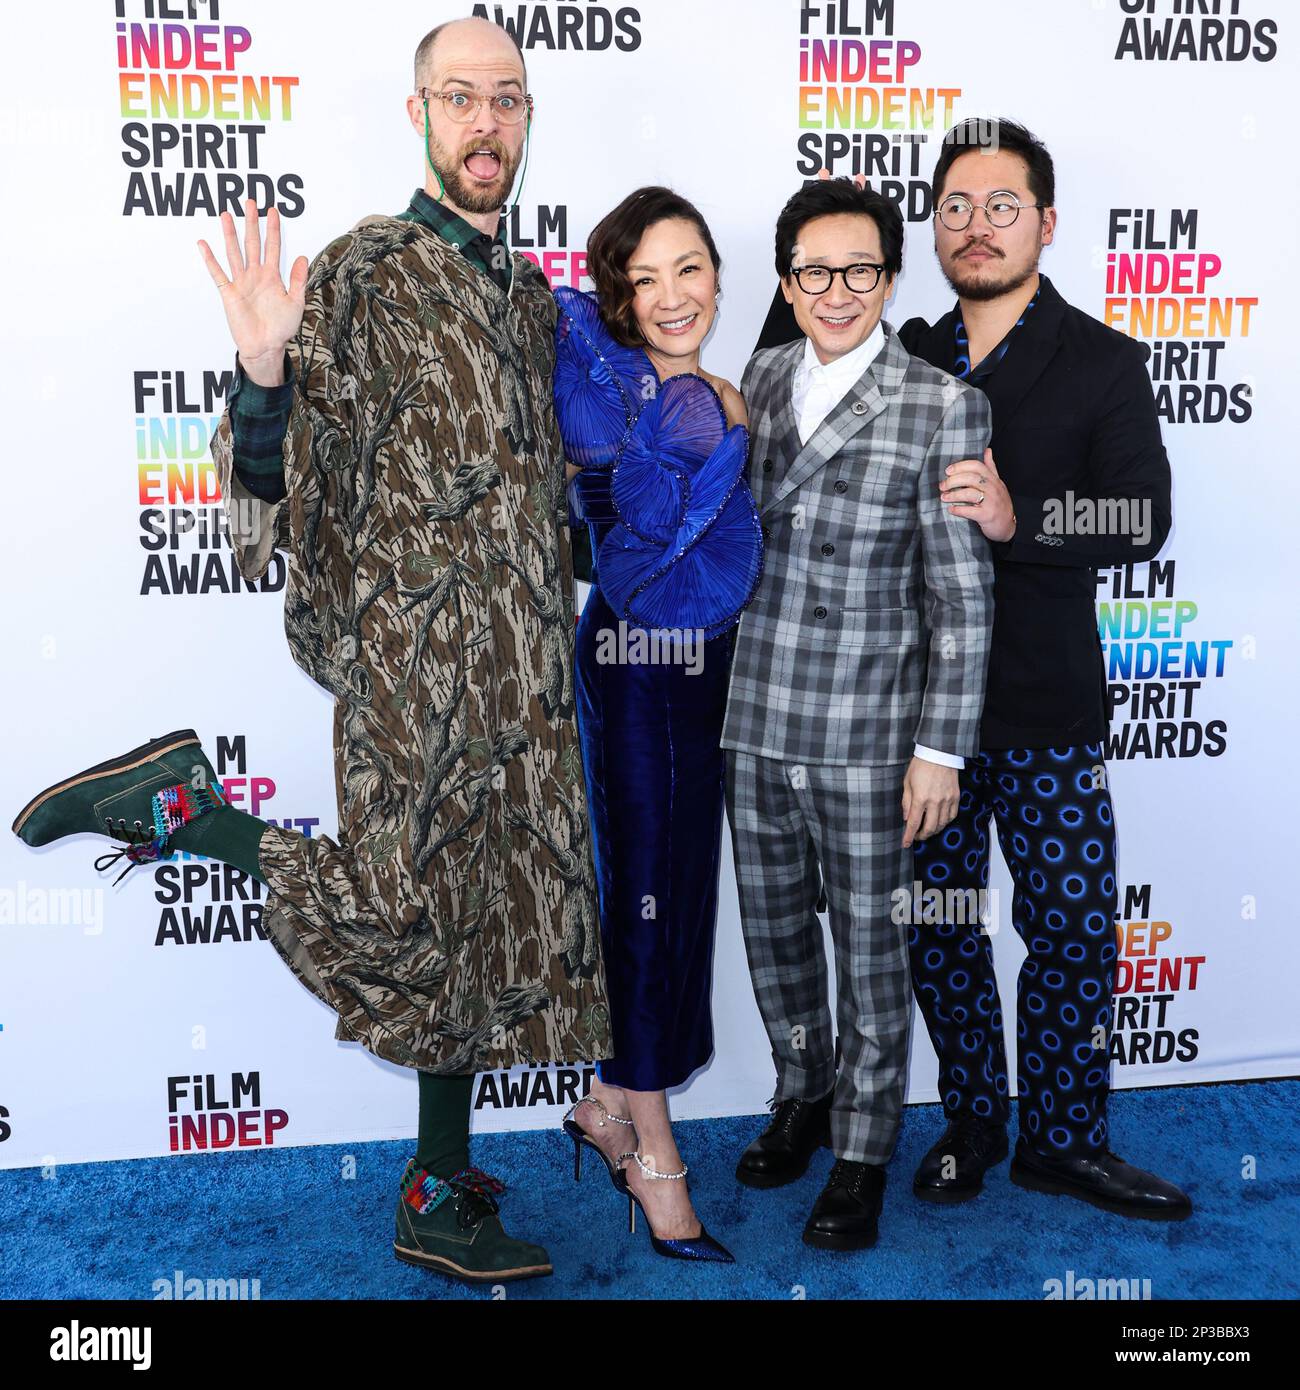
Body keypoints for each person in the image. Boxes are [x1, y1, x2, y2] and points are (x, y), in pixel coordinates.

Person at [11, 15, 612, 1283]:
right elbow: (274, 483)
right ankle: (179, 810)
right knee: (404, 918)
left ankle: (437, 1188)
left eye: (507, 98)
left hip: (521, 675)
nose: (486, 121)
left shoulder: (530, 298)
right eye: (461, 97)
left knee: (475, 927)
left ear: (528, 115)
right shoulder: (367, 269)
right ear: (419, 117)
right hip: (411, 670)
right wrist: (265, 368)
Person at [897, 118, 1188, 1219]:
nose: (976, 227)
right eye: (956, 208)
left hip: (1046, 706)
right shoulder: (902, 354)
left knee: (1068, 929)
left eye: (1001, 206)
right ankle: (974, 1121)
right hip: (919, 719)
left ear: (1047, 223)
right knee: (941, 927)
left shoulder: (1104, 359)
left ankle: (1065, 1138)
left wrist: (1022, 517)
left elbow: (1142, 512)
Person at [723, 179, 995, 1250]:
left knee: (874, 953)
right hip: (756, 712)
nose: (837, 292)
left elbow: (961, 599)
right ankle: (803, 1088)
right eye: (814, 272)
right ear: (786, 284)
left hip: (872, 732)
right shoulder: (752, 379)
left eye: (860, 271)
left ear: (889, 278)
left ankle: (865, 1146)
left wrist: (940, 750)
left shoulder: (939, 402)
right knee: (777, 936)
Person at [551, 187, 762, 1263]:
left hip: (708, 671)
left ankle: (604, 1100)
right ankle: (656, 1157)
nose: (674, 294)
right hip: (633, 665)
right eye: (646, 278)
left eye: (690, 268)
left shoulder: (729, 388)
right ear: (621, 300)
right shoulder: (607, 396)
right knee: (641, 895)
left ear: (719, 275)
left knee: (677, 890)